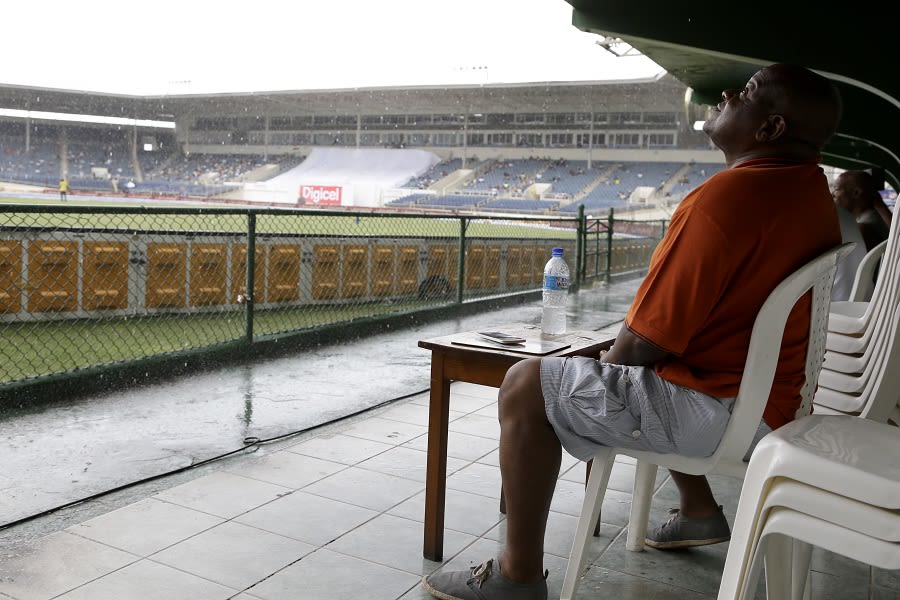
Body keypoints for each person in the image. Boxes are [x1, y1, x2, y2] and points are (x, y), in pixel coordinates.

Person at [422, 63, 843, 600]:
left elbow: (643, 345)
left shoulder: (726, 199)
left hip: (726, 414)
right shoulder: (808, 190)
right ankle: (698, 510)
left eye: (750, 91)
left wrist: (585, 368)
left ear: (770, 130)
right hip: (770, 404)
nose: (730, 93)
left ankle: (516, 577)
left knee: (526, 387)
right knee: (636, 373)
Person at [832, 169, 891, 252]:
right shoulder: (876, 219)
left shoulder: (863, 229)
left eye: (836, 189)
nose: (832, 194)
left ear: (856, 193)